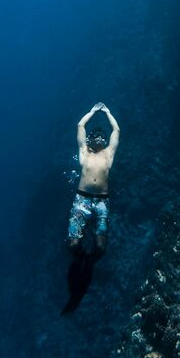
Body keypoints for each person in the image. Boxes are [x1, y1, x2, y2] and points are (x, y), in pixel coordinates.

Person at [61, 102, 120, 314]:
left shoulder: (108, 155)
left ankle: (88, 267)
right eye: (94, 135)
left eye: (101, 136)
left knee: (101, 248)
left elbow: (117, 131)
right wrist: (93, 112)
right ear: (89, 140)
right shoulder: (84, 153)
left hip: (102, 201)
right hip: (82, 200)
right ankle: (81, 263)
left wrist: (108, 113)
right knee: (73, 244)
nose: (98, 138)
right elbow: (80, 126)